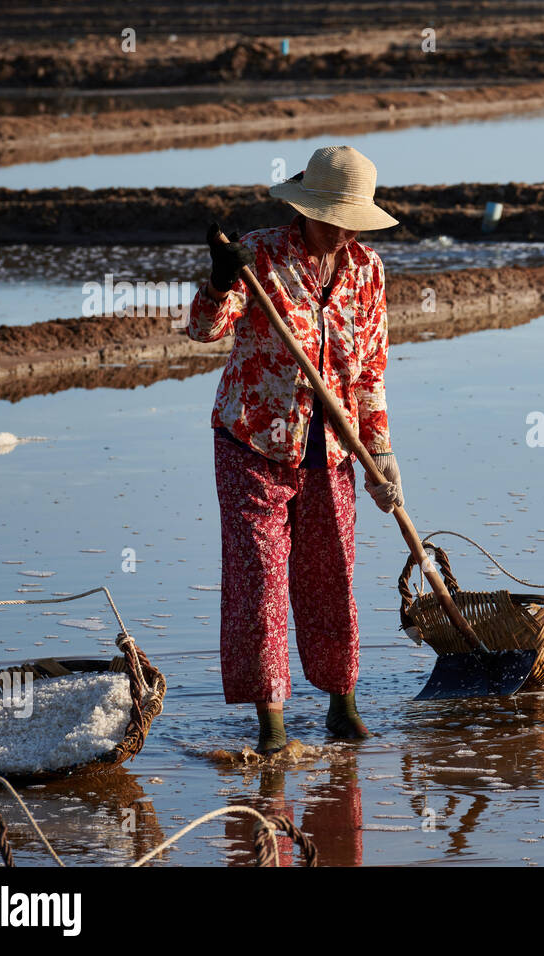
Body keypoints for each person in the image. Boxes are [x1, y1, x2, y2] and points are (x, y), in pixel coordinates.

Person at [186, 145, 403, 753]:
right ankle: (273, 727)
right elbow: (206, 329)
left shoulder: (367, 269)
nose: (340, 230)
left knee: (332, 573)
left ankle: (342, 705)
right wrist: (220, 280)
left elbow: (370, 372)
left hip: (333, 449)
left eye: (350, 219)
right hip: (252, 442)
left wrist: (381, 455)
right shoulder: (257, 256)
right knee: (261, 581)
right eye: (331, 216)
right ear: (305, 209)